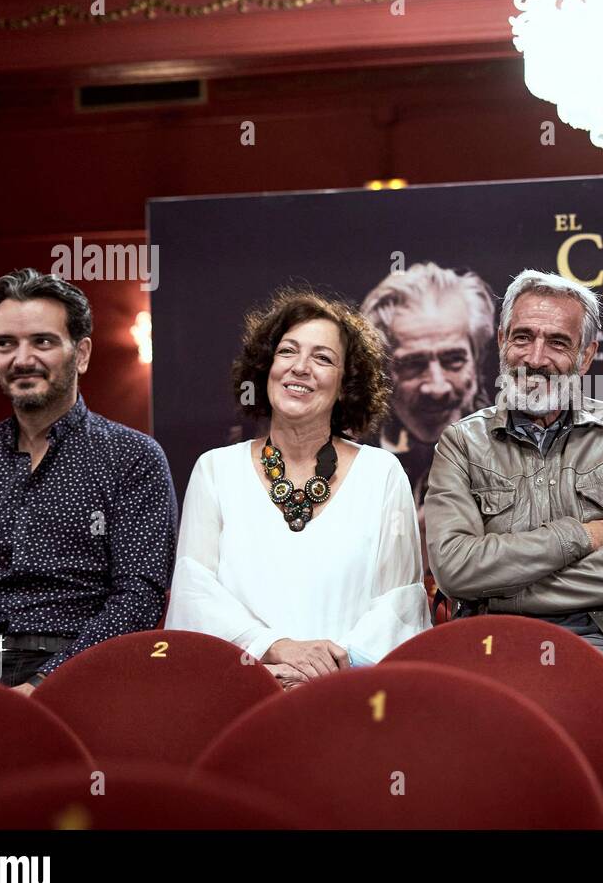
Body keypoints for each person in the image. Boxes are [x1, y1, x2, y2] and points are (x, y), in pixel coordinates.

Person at [424, 269, 603, 719]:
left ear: (586, 356)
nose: (536, 357)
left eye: (558, 343)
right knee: (476, 717)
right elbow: (454, 570)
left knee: (579, 700)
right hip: (491, 641)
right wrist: (580, 536)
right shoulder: (461, 443)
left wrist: (501, 589)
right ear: (503, 340)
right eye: (523, 337)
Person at [0, 269, 177, 692]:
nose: (22, 359)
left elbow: (137, 599)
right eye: (5, 344)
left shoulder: (132, 458)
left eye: (42, 341)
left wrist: (47, 683)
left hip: (79, 671)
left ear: (81, 353)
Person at [166, 289, 427, 687]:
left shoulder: (383, 473)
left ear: (345, 384)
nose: (300, 367)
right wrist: (276, 648)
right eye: (287, 351)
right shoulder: (215, 469)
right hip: (242, 692)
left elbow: (400, 608)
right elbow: (193, 596)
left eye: (322, 358)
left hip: (347, 698)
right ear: (266, 367)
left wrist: (323, 675)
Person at [361, 262, 496, 509]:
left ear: (476, 362)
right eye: (413, 364)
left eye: (454, 360)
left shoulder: (516, 459)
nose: (437, 387)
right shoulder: (351, 470)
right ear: (380, 371)